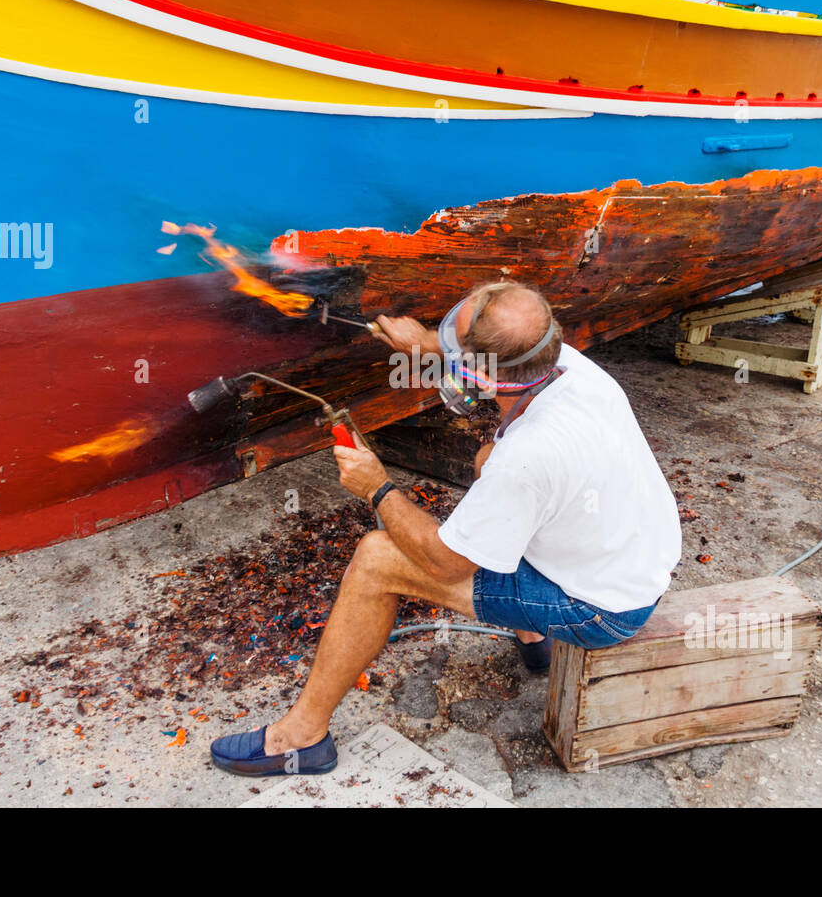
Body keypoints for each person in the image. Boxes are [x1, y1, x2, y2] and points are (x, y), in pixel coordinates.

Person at [211, 282, 682, 776]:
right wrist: (429, 348)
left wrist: (377, 488)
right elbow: (500, 370)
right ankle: (533, 641)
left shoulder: (530, 455)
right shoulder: (566, 365)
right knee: (487, 457)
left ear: (477, 374)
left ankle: (301, 738)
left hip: (600, 609)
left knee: (377, 557)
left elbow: (443, 562)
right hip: (633, 556)